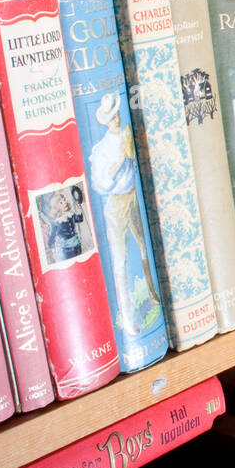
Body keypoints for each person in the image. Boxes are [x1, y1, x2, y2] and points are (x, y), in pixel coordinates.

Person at [88, 93, 159, 326]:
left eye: (117, 114)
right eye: (112, 117)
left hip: (133, 195)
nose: (116, 119)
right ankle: (127, 316)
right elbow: (99, 184)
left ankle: (153, 293)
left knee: (144, 247)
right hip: (116, 203)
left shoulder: (127, 136)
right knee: (120, 259)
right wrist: (116, 168)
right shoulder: (101, 150)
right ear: (105, 121)